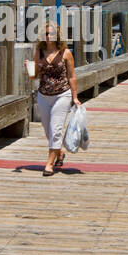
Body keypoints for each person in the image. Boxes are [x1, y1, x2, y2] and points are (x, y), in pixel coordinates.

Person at [33, 21, 81, 176]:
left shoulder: (66, 53)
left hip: (62, 94)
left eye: (51, 34)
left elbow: (71, 76)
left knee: (56, 130)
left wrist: (75, 97)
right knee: (48, 131)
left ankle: (48, 164)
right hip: (43, 95)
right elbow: (33, 76)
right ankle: (59, 153)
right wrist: (28, 67)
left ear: (57, 36)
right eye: (46, 34)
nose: (48, 36)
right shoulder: (38, 52)